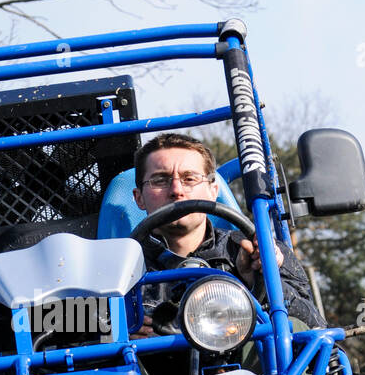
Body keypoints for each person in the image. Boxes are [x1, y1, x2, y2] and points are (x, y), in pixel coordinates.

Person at [132, 133, 325, 333]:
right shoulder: (115, 265)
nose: (176, 190)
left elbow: (313, 327)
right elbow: (96, 327)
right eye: (160, 180)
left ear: (213, 191)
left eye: (189, 178)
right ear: (139, 198)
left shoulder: (257, 250)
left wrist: (259, 282)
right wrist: (116, 336)